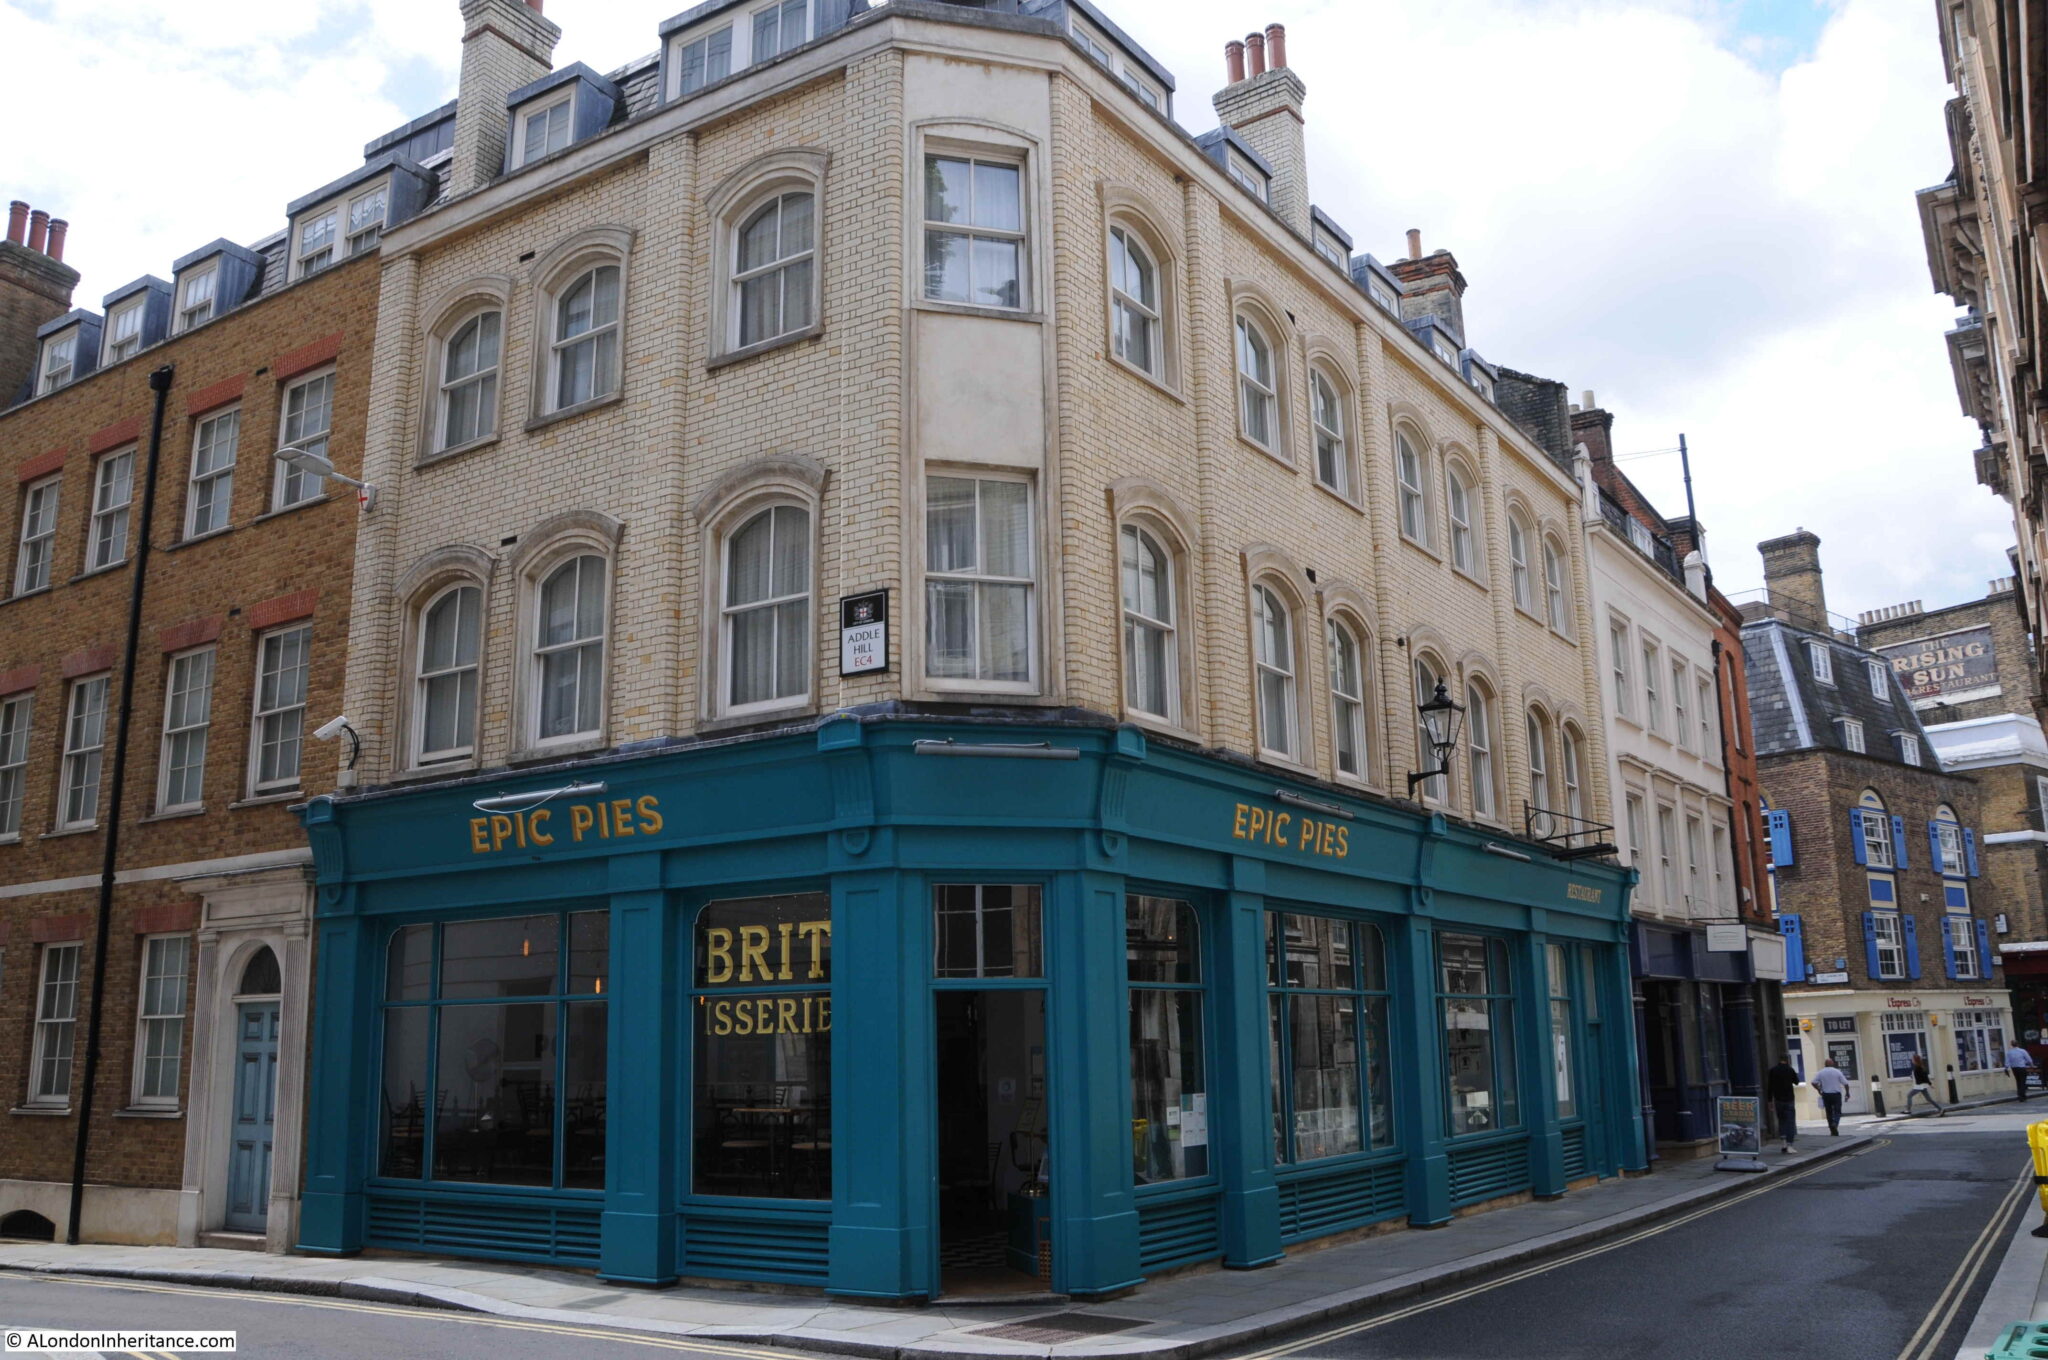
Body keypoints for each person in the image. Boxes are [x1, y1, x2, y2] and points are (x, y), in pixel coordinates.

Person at [1766, 1053, 1802, 1153]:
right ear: (1787, 1060)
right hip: (1789, 1099)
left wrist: (1770, 1101)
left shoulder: (1773, 1070)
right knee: (1790, 1122)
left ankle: (1783, 1143)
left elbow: (1770, 1087)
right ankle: (1790, 1145)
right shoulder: (1790, 1070)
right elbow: (1797, 1082)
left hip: (1778, 1100)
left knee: (1781, 1121)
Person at [1810, 1057, 1850, 1133]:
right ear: (1832, 1064)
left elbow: (1813, 1082)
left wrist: (1819, 1089)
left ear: (1825, 1064)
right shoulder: (1837, 1072)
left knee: (1829, 1112)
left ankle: (1832, 1130)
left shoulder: (1820, 1072)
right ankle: (1835, 1123)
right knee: (1837, 1111)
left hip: (1826, 1095)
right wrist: (1847, 1093)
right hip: (1836, 1095)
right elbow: (1845, 1083)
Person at [1904, 1052, 1946, 1116]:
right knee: (1929, 1099)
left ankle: (1908, 1110)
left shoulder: (1918, 1068)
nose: (1912, 1060)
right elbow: (1921, 1076)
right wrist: (1913, 1076)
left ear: (1915, 1060)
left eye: (1912, 1059)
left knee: (1909, 1095)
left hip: (1919, 1086)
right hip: (1922, 1086)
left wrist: (1930, 1084)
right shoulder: (1920, 1067)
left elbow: (1924, 1077)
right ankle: (1940, 1109)